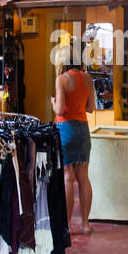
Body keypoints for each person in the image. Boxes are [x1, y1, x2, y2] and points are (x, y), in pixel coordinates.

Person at [52, 54, 97, 234]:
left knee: (67, 177)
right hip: (83, 130)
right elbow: (91, 108)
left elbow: (60, 109)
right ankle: (85, 224)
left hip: (66, 129)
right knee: (83, 177)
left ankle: (68, 225)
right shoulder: (87, 79)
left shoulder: (62, 79)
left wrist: (53, 102)